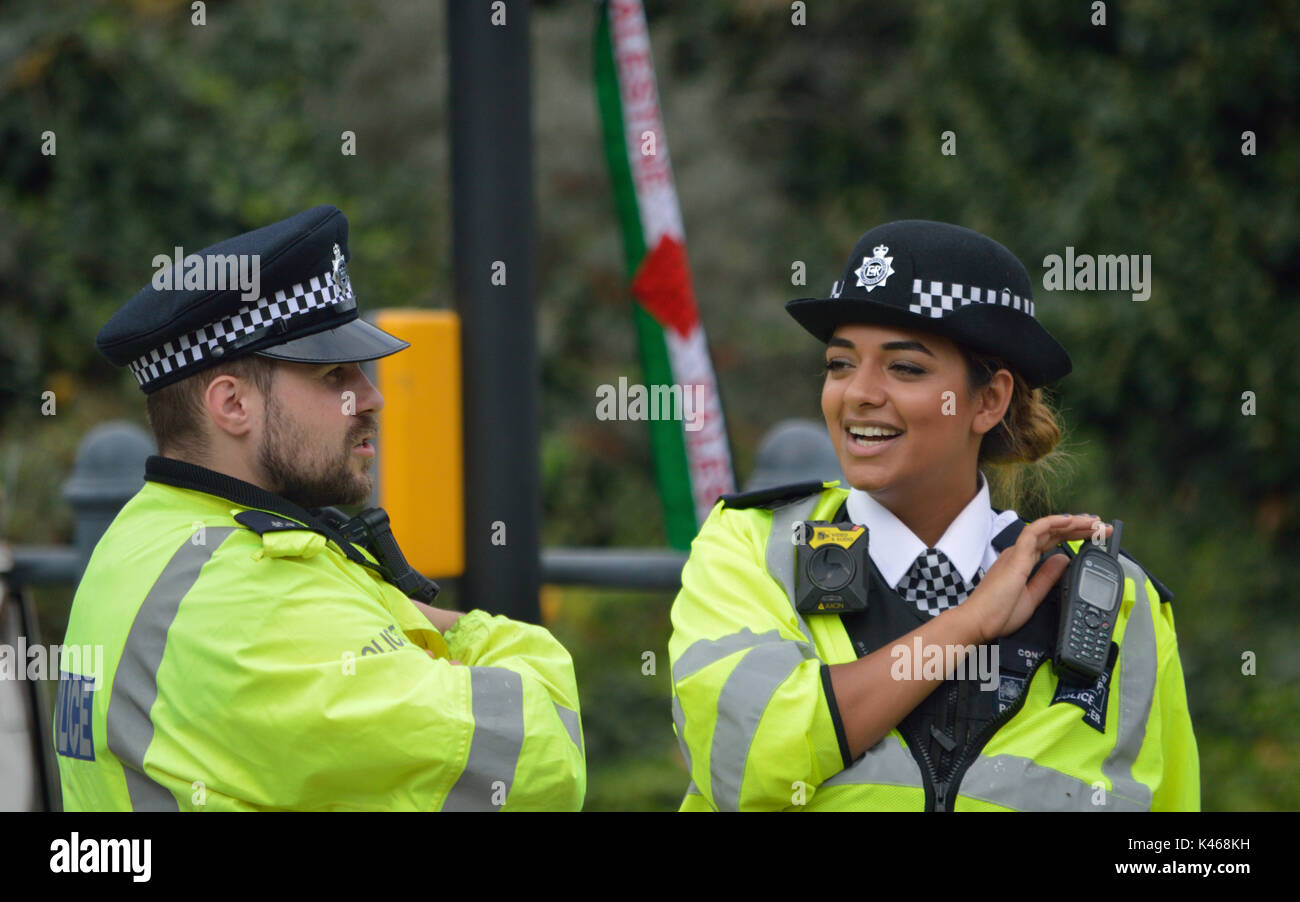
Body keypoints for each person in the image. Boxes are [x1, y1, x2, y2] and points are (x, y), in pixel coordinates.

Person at [55, 205, 586, 811]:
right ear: (232, 405)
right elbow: (539, 767)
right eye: (334, 375)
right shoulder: (256, 600)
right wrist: (473, 633)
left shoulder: (147, 532)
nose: (373, 397)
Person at [668, 220, 1198, 811]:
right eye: (840, 364)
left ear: (989, 400)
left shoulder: (1122, 602)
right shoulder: (751, 546)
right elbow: (744, 758)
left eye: (905, 368)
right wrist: (969, 622)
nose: (858, 393)